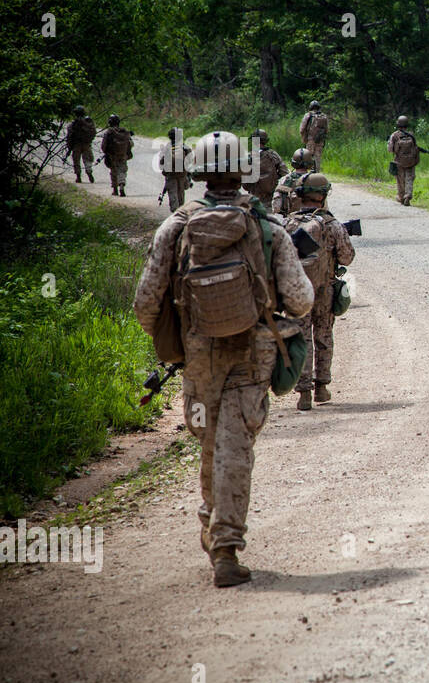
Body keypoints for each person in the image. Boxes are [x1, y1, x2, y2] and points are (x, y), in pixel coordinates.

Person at [132, 130, 314, 587]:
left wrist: (187, 327)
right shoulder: (268, 228)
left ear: (198, 172)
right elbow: (301, 300)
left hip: (197, 355)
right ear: (245, 171)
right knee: (237, 444)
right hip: (253, 354)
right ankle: (226, 545)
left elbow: (145, 305)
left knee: (212, 441)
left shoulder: (175, 227)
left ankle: (212, 527)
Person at [281, 174, 356, 410]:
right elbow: (347, 257)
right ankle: (322, 388)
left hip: (296, 292)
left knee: (301, 340)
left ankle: (303, 393)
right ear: (323, 195)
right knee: (323, 337)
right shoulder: (331, 225)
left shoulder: (287, 224)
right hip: (324, 291)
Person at [153, 127, 193, 212]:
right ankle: (181, 210)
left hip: (170, 175)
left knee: (172, 193)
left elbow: (161, 163)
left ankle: (175, 211)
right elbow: (191, 161)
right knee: (181, 193)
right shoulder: (185, 147)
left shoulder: (167, 147)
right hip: (182, 174)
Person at [387, 115, 421, 206]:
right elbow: (415, 147)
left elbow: (390, 149)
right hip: (410, 161)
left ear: (398, 124)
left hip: (399, 161)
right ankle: (408, 195)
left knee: (400, 180)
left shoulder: (394, 135)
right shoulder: (411, 134)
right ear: (407, 124)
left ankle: (401, 197)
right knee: (409, 178)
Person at [250, 129, 286, 206]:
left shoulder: (249, 156)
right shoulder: (273, 155)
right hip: (270, 198)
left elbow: (245, 182)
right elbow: (284, 173)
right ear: (266, 141)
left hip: (254, 199)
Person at [273, 148, 313, 217]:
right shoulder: (315, 180)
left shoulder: (284, 180)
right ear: (310, 164)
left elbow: (276, 207)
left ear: (293, 163)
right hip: (311, 220)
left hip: (290, 221)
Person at [101, 114, 134, 196]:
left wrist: (106, 152)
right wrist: (127, 152)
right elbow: (131, 144)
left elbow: (103, 145)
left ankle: (115, 190)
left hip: (112, 155)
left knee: (113, 171)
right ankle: (122, 184)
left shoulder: (109, 132)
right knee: (122, 170)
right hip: (123, 155)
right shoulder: (124, 132)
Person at [66, 106, 96, 183]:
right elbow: (93, 132)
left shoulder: (73, 124)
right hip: (86, 144)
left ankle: (78, 176)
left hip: (76, 145)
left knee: (76, 161)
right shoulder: (89, 123)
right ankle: (89, 172)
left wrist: (69, 148)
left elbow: (69, 136)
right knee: (87, 160)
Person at [298, 99, 329, 172]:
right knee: (317, 158)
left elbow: (302, 129)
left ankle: (309, 174)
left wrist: (304, 138)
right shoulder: (324, 116)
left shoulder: (308, 115)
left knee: (308, 156)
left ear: (310, 107)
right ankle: (316, 173)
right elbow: (327, 130)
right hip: (320, 141)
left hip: (310, 140)